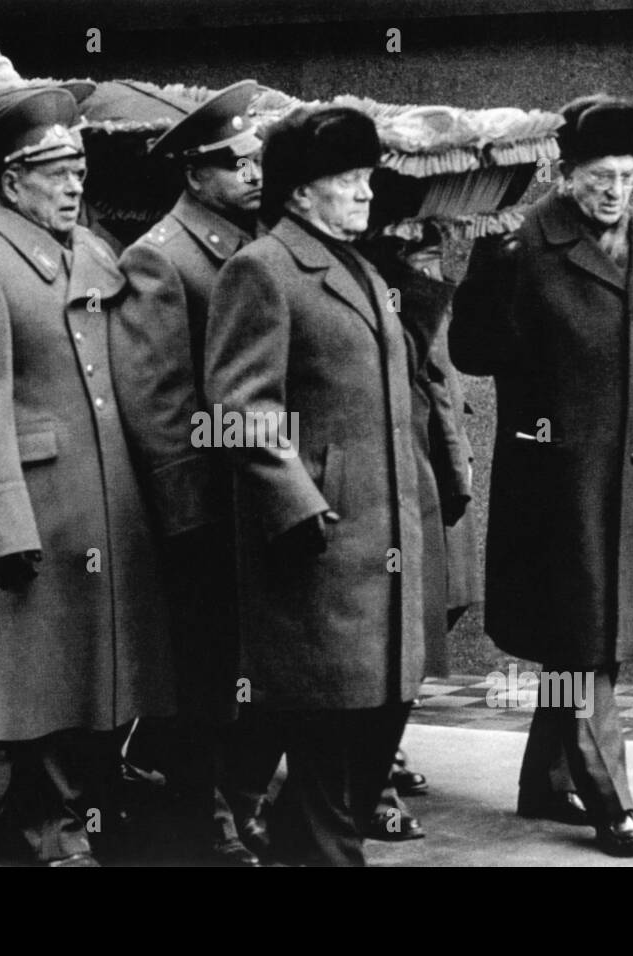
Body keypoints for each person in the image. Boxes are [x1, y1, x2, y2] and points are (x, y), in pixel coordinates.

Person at [204, 105, 455, 866]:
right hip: (322, 556)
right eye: (344, 182)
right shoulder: (264, 270)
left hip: (384, 552)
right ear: (298, 194)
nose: (363, 194)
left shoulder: (365, 268)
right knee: (328, 756)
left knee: (367, 741)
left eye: (365, 179)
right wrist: (301, 504)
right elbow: (240, 410)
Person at [0, 87, 173, 867]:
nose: (74, 184)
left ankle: (82, 817)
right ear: (11, 182)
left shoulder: (95, 253)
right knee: (45, 685)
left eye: (79, 168)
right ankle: (50, 832)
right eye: (54, 170)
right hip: (40, 510)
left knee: (106, 679)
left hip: (111, 506)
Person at [449, 94, 633, 857]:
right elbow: (472, 354)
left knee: (593, 639)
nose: (615, 191)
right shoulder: (523, 246)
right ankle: (612, 801)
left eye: (628, 175)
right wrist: (486, 268)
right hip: (559, 483)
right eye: (599, 177)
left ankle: (543, 781)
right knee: (584, 640)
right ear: (564, 172)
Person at [111, 80, 266, 866]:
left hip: (255, 499)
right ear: (195, 174)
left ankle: (238, 800)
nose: (252, 172)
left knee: (250, 666)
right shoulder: (162, 258)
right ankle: (205, 814)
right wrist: (186, 511)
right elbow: (158, 400)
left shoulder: (252, 244)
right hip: (205, 504)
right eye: (233, 162)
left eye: (254, 156)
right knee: (204, 672)